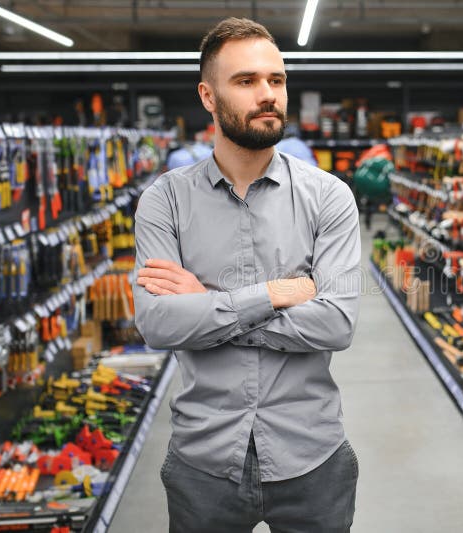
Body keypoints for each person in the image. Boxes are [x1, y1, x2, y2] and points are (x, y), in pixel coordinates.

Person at [132, 17, 361, 533]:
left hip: (312, 456)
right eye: (245, 81)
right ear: (208, 96)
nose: (267, 95)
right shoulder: (164, 200)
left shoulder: (329, 197)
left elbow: (336, 325)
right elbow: (158, 325)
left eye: (275, 81)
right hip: (203, 461)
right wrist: (275, 295)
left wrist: (207, 303)